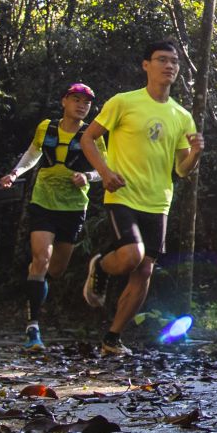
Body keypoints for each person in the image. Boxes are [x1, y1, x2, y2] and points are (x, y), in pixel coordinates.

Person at [79, 41, 204, 355]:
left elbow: (183, 169)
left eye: (174, 62)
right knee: (132, 256)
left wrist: (197, 153)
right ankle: (101, 266)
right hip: (122, 195)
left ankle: (112, 339)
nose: (169, 66)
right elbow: (88, 139)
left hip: (158, 202)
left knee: (144, 271)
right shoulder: (124, 102)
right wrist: (105, 173)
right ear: (146, 65)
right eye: (162, 60)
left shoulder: (181, 115)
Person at [0, 83, 102, 352]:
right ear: (64, 102)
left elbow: (106, 168)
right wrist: (15, 173)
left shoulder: (93, 133)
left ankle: (38, 289)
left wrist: (88, 176)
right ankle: (33, 328)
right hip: (43, 200)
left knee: (55, 269)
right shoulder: (46, 127)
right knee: (40, 259)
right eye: (76, 100)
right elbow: (33, 153)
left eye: (86, 102)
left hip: (73, 206)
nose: (81, 105)